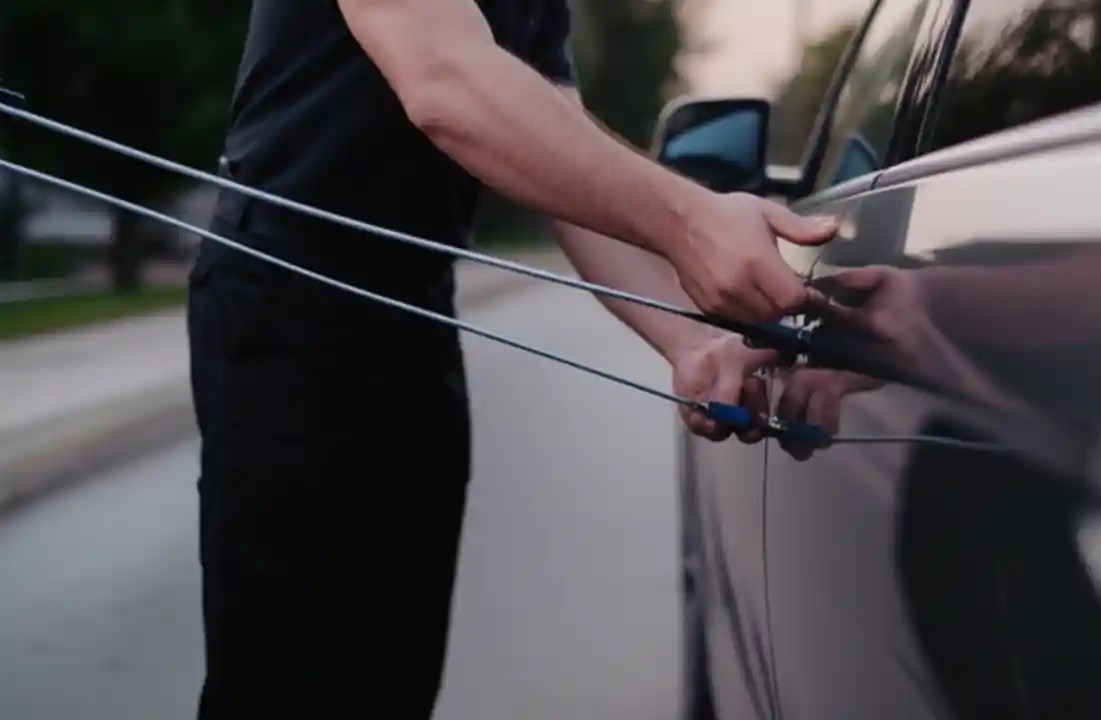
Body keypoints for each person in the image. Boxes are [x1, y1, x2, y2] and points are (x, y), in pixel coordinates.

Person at [187, 0, 834, 716]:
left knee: (385, 685)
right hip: (287, 301)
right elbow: (446, 78)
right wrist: (690, 219)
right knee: (288, 690)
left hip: (415, 311)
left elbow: (561, 152)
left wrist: (694, 340)